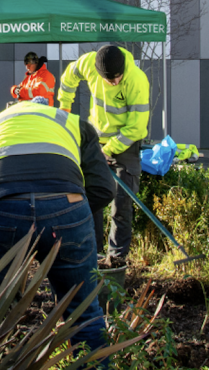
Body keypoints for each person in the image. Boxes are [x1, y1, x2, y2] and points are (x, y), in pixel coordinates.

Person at [0, 96, 115, 354]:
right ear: (46, 109)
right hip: (67, 204)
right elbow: (104, 188)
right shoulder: (72, 124)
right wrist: (71, 214)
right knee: (83, 311)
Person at [57, 45, 149, 265]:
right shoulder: (89, 63)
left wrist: (108, 150)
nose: (114, 83)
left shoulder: (136, 80)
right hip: (97, 139)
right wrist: (64, 109)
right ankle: (92, 251)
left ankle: (116, 258)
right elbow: (68, 77)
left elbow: (137, 128)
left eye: (117, 78)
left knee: (121, 203)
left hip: (125, 144)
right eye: (110, 80)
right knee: (92, 196)